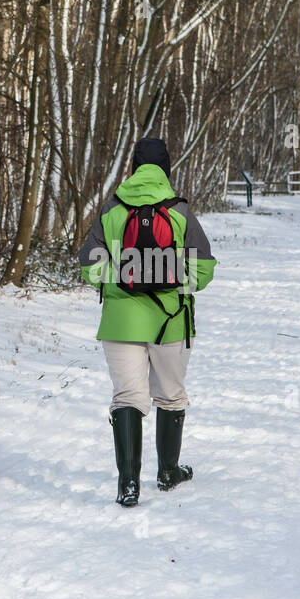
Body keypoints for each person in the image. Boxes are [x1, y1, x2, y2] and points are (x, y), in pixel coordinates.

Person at [77, 138, 217, 507]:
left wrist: (121, 276)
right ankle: (168, 473)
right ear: (166, 169)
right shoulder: (180, 211)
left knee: (127, 398)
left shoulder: (112, 209)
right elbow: (202, 272)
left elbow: (89, 266)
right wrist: (168, 275)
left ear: (134, 168)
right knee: (170, 396)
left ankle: (128, 485)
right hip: (171, 321)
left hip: (120, 323)